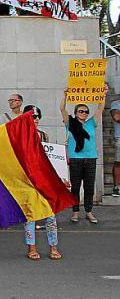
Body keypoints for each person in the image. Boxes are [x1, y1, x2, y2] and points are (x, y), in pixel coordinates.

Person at [22, 105, 64, 260]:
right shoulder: (19, 137)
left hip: (46, 179)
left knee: (51, 215)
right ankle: (31, 247)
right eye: (33, 116)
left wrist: (60, 176)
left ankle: (53, 246)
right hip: (28, 180)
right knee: (30, 216)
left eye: (38, 115)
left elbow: (53, 159)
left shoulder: (44, 136)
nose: (36, 119)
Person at [59, 88, 105, 224]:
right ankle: (75, 212)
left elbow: (100, 108)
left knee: (89, 187)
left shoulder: (91, 123)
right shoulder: (70, 123)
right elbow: (62, 109)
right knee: (76, 187)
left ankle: (89, 212)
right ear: (76, 113)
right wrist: (65, 96)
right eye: (81, 111)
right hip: (75, 159)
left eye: (86, 111)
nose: (84, 113)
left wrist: (103, 94)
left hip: (91, 158)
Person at [111, 100, 120, 197]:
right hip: (119, 137)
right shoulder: (116, 104)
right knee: (118, 162)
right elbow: (117, 117)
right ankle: (117, 187)